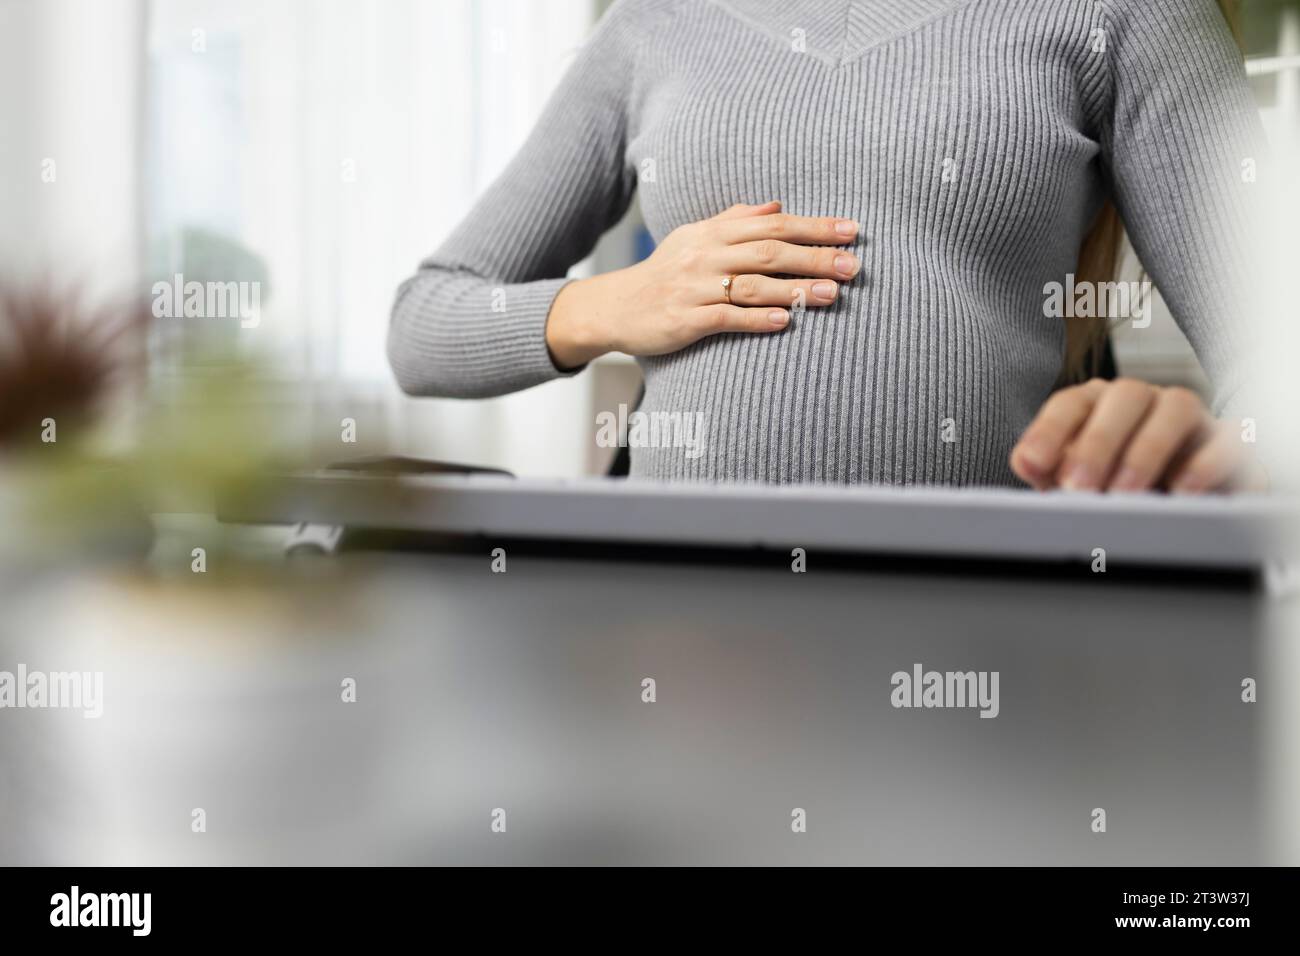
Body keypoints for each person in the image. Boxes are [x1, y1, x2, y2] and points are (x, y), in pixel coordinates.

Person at [389, 0, 1268, 492]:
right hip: (678, 625)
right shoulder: (652, 27)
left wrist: (1236, 451)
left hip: (975, 633)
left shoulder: (1123, 12)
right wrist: (615, 304)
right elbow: (422, 326)